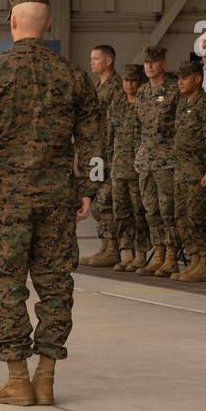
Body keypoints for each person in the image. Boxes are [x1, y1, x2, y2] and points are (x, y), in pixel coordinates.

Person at [0, 0, 103, 406]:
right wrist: (87, 190)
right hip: (58, 198)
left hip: (8, 200)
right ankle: (46, 376)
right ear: (48, 27)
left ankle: (17, 378)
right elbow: (94, 138)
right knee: (56, 285)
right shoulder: (74, 74)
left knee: (7, 285)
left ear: (12, 25)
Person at [134, 45, 180, 277]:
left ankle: (171, 256)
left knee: (167, 209)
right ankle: (159, 253)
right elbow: (138, 127)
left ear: (162, 63)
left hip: (167, 159)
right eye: (146, 63)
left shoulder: (174, 89)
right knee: (150, 210)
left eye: (153, 62)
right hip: (146, 160)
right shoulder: (142, 92)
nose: (149, 66)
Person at [171, 61, 206, 282]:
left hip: (199, 172)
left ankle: (204, 261)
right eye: (179, 77)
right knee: (183, 217)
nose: (180, 82)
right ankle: (193, 260)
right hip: (181, 172)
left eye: (185, 77)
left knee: (200, 217)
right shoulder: (181, 103)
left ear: (197, 79)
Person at [82, 44, 124, 267]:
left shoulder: (116, 87)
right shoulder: (98, 86)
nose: (92, 62)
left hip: (110, 151)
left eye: (96, 59)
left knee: (104, 201)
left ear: (108, 61)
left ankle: (113, 248)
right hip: (97, 152)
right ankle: (106, 247)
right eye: (91, 58)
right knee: (98, 201)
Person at [110, 64, 150, 272]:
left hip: (137, 166)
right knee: (122, 211)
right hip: (118, 165)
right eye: (126, 81)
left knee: (139, 211)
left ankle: (141, 252)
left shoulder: (144, 104)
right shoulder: (118, 103)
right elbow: (110, 135)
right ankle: (127, 252)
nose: (129, 85)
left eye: (133, 81)